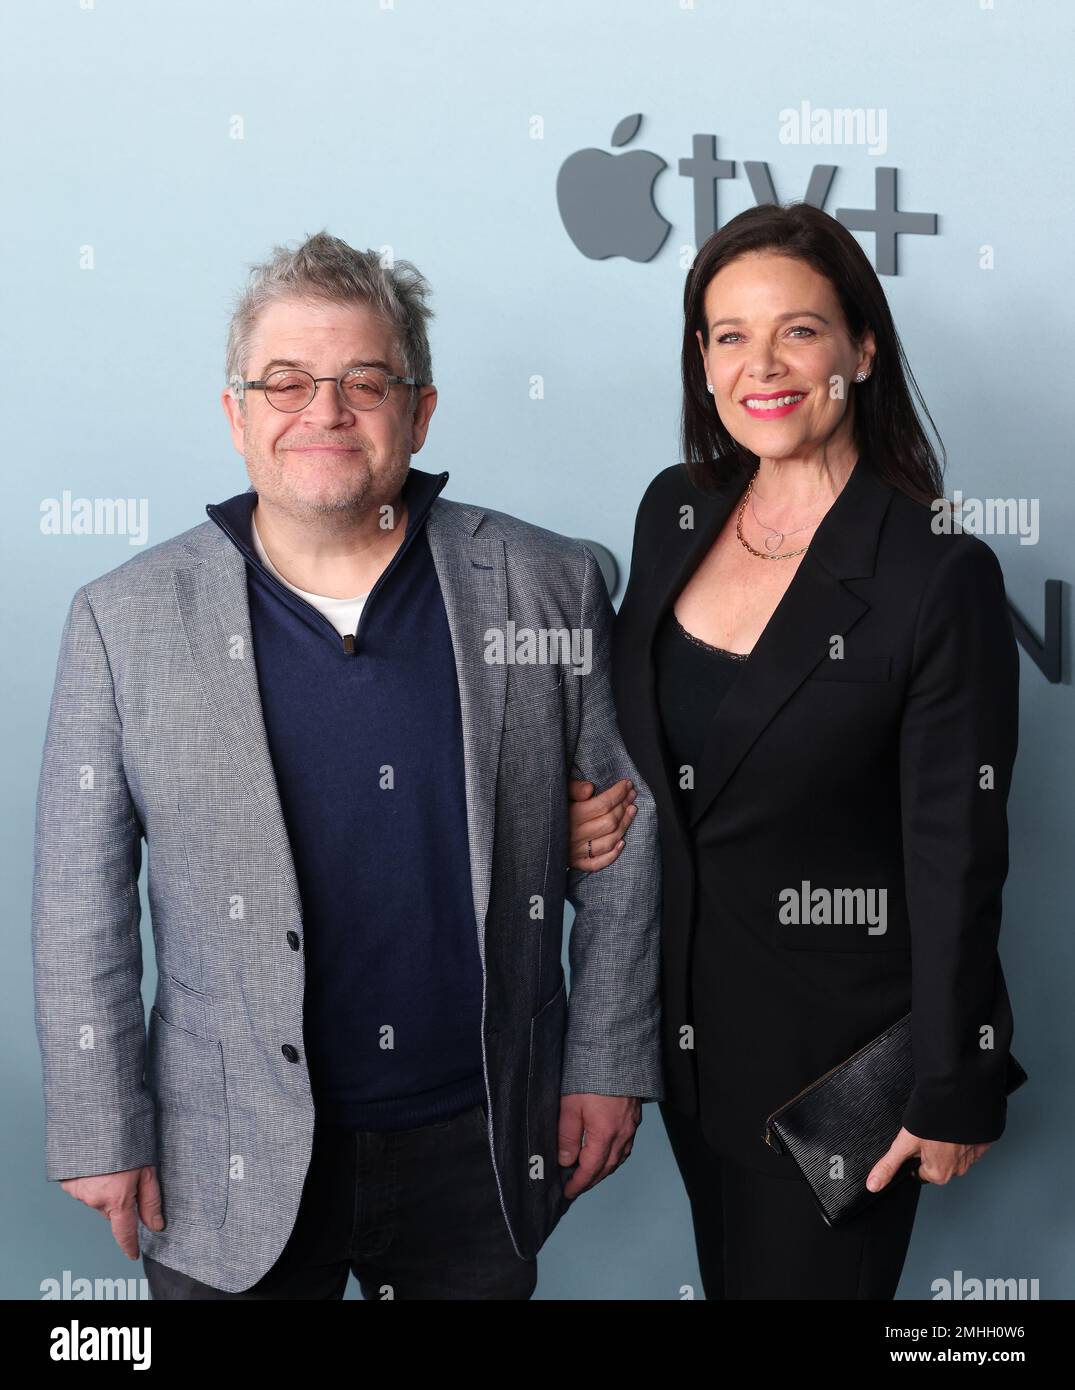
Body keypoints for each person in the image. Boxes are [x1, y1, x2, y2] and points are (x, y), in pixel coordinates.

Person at [31, 230, 661, 1300]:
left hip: (479, 1134)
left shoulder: (546, 584)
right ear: (236, 414)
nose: (322, 411)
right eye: (284, 382)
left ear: (418, 411)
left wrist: (605, 1061)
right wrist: (99, 1119)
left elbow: (623, 841)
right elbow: (77, 901)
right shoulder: (124, 619)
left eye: (363, 381)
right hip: (219, 1146)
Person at [568, 202, 1021, 1300]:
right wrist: (588, 813)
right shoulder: (674, 511)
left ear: (862, 350)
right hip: (685, 1041)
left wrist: (951, 1080)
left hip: (841, 1074)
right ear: (701, 357)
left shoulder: (934, 572)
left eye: (798, 331)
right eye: (729, 334)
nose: (760, 365)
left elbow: (955, 846)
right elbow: (672, 741)